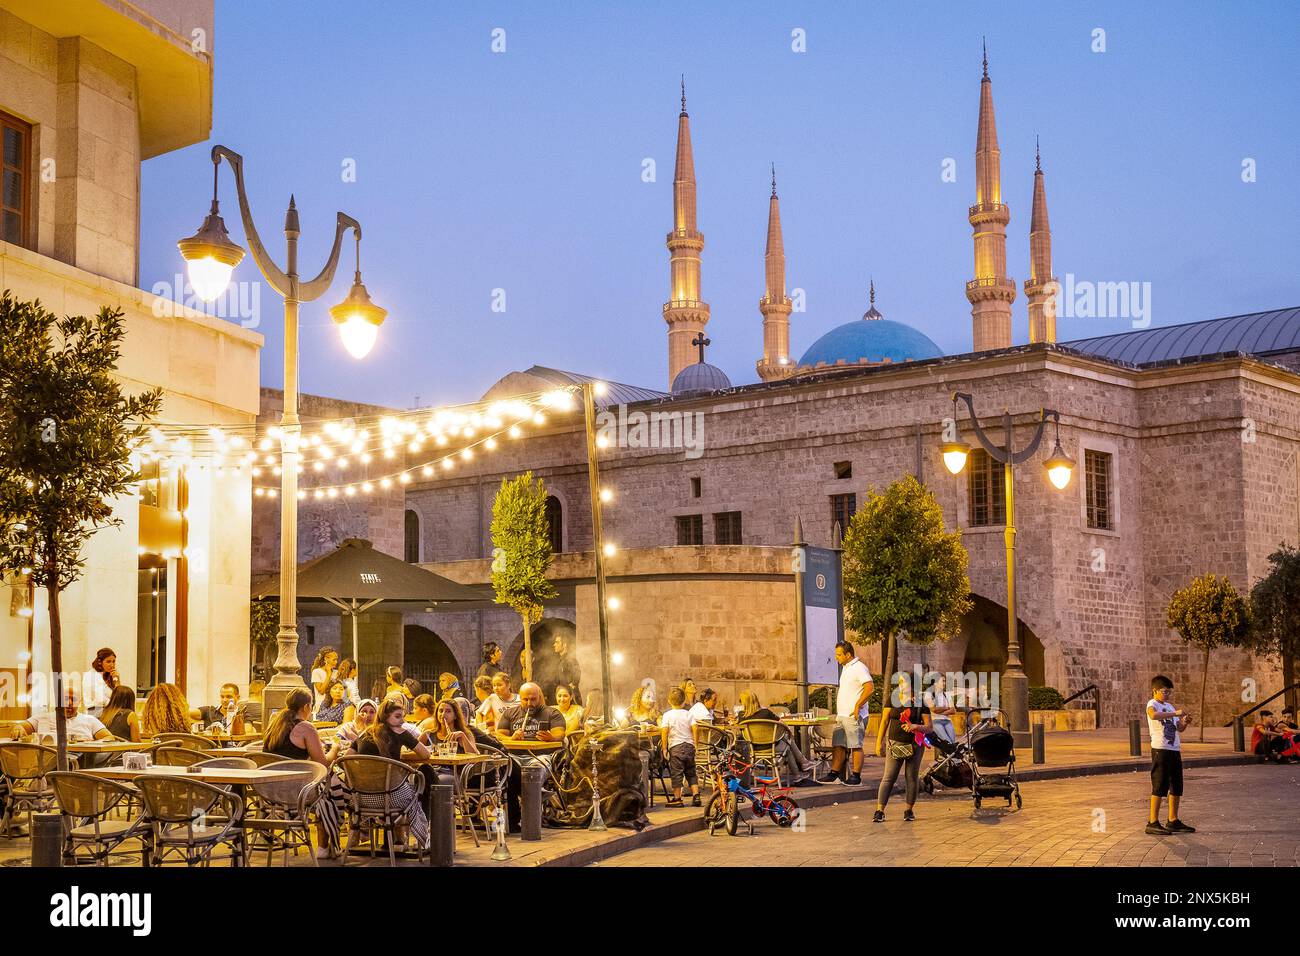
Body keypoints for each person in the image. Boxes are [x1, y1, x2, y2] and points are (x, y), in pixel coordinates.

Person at [262, 687, 345, 857]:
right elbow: (322, 763)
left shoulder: (275, 724)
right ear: (307, 706)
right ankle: (325, 847)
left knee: (330, 784)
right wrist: (335, 748)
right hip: (296, 792)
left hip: (269, 790)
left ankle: (329, 845)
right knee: (333, 785)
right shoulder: (306, 727)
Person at [353, 697, 431, 849]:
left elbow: (348, 758)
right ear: (385, 716)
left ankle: (396, 840)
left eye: (403, 716)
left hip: (361, 798)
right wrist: (401, 758)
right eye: (398, 716)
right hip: (391, 797)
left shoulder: (364, 733)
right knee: (420, 783)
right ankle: (414, 838)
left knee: (399, 786)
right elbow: (425, 755)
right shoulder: (401, 732)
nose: (402, 721)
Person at [872, 673, 931, 822]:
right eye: (899, 682)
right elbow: (884, 721)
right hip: (894, 744)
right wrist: (879, 742)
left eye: (903, 682)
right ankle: (879, 810)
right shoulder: (892, 699)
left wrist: (915, 726)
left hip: (914, 745)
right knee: (888, 777)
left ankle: (909, 810)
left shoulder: (920, 702)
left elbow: (929, 727)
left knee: (911, 778)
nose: (900, 685)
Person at [1146, 674, 1195, 835]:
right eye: (1164, 691)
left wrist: (1184, 722)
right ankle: (1152, 821)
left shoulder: (1170, 706)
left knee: (1176, 785)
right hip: (1161, 749)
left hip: (1174, 749)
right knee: (1160, 784)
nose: (1167, 695)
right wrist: (1174, 714)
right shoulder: (1152, 704)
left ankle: (1173, 820)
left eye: (1169, 692)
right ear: (1155, 691)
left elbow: (1178, 729)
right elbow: (1153, 715)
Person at [820, 639, 873, 786]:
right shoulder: (846, 667)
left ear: (848, 654)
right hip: (842, 715)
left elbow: (869, 688)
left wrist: (857, 706)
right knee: (838, 744)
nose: (836, 657)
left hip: (853, 716)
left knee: (855, 745)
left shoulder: (859, 668)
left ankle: (856, 776)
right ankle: (834, 774)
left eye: (839, 655)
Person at [737, 690, 817, 787]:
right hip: (771, 747)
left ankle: (802, 767)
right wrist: (788, 731)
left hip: (752, 748)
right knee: (788, 745)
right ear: (756, 700)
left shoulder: (741, 716)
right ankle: (799, 773)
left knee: (787, 741)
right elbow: (782, 723)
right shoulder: (766, 713)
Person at [13, 686, 113, 743]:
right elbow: (21, 727)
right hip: (49, 760)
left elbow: (109, 738)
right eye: (65, 699)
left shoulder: (90, 720)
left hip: (83, 760)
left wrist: (90, 743)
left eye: (73, 699)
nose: (69, 703)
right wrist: (18, 728)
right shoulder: (43, 717)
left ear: (79, 702)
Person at [659, 687, 701, 808]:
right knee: (691, 772)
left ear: (669, 701)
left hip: (676, 747)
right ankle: (696, 795)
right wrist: (695, 744)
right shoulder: (689, 714)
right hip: (689, 746)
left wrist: (664, 748)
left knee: (677, 773)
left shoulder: (667, 715)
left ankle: (677, 798)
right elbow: (695, 728)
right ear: (684, 702)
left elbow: (664, 731)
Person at [495, 682, 566, 742]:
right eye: (525, 699)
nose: (529, 703)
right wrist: (511, 738)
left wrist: (552, 738)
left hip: (541, 755)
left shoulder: (553, 713)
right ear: (520, 698)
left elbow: (560, 734)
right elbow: (499, 735)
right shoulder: (509, 713)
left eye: (533, 699)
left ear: (539, 697)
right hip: (513, 754)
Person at [924, 672, 958, 749]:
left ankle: (950, 760)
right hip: (936, 722)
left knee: (953, 743)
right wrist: (947, 708)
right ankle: (949, 760)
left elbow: (953, 710)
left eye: (945, 681)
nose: (944, 683)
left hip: (947, 721)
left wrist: (940, 710)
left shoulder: (947, 694)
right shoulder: (928, 694)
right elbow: (933, 709)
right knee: (947, 743)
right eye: (942, 681)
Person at [86, 647, 120, 716]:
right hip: (95, 711)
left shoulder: (109, 676)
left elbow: (119, 696)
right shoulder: (91, 675)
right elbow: (100, 699)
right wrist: (115, 705)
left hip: (110, 710)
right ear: (100, 662)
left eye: (113, 661)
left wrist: (117, 682)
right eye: (108, 661)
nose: (112, 665)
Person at [551, 633, 582, 703]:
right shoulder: (559, 661)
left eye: (557, 642)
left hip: (571, 699)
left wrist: (572, 685)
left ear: (564, 645)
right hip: (562, 699)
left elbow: (577, 673)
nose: (554, 645)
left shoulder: (570, 659)